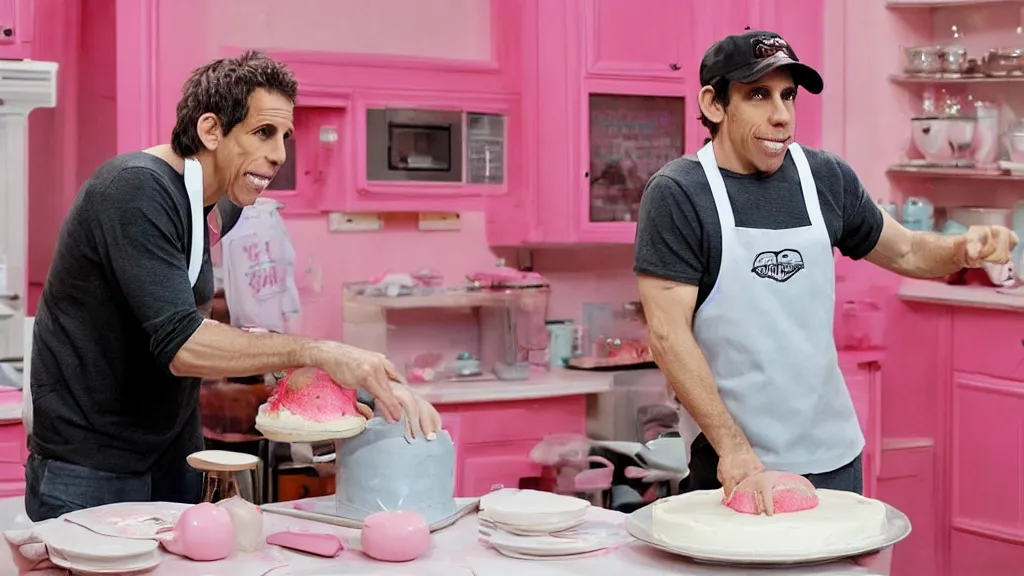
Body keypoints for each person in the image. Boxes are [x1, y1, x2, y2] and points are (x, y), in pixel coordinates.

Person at [26, 51, 441, 521]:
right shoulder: (133, 190)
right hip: (91, 467)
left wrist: (368, 387)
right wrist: (322, 352)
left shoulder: (216, 206)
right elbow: (183, 346)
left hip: (172, 458)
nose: (280, 154)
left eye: (285, 136)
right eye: (263, 133)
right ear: (210, 130)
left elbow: (215, 322)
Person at [634, 30, 1017, 500]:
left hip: (834, 457)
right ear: (715, 104)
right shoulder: (678, 193)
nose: (781, 116)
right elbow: (668, 336)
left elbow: (909, 251)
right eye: (758, 95)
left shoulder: (825, 178)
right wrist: (732, 449)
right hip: (731, 464)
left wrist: (962, 251)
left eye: (788, 95)